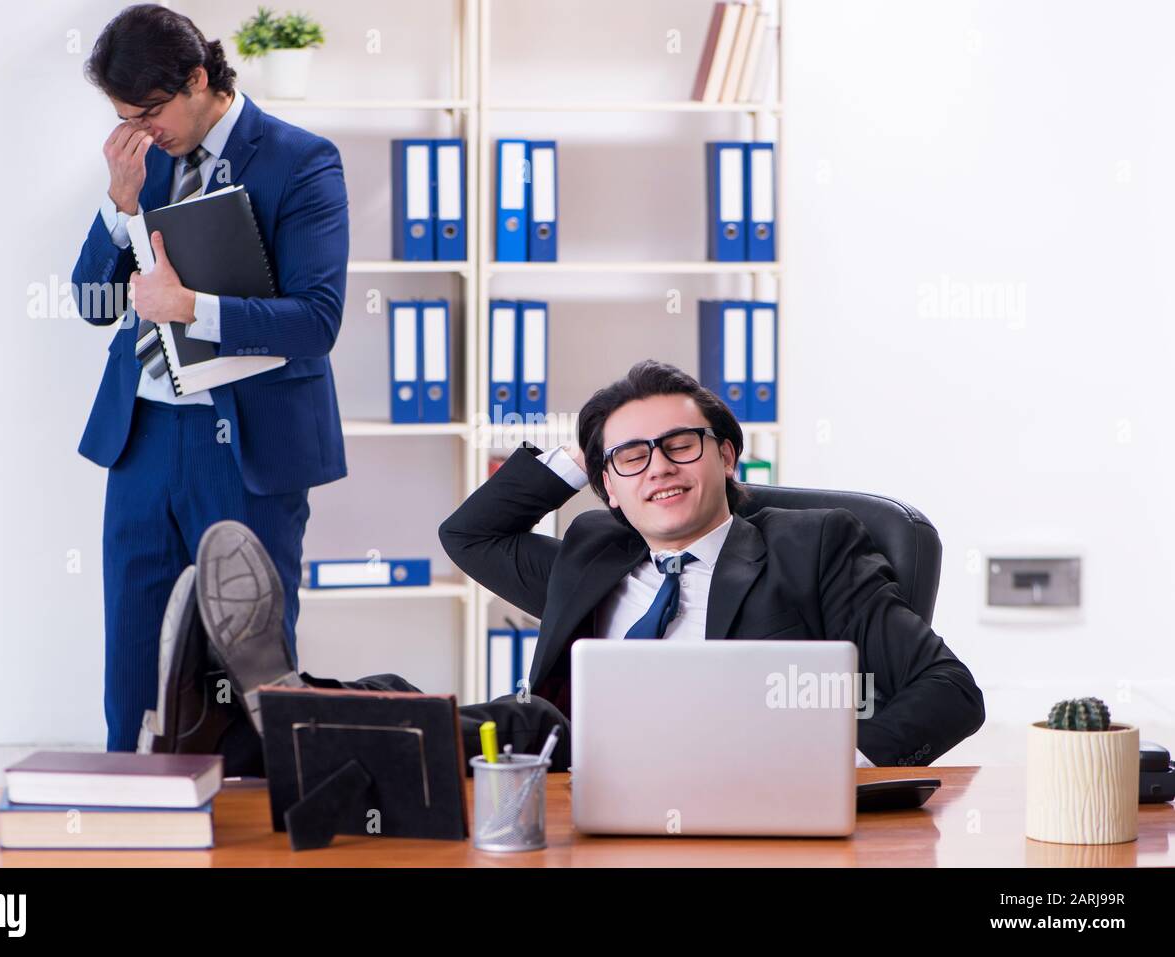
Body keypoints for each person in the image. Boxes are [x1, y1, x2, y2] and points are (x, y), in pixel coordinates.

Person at [144, 360, 984, 774]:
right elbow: (468, 534)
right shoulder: (597, 548)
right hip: (567, 764)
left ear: (729, 456)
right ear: (610, 488)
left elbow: (951, 690)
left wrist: (841, 767)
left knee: (494, 730)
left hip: (725, 773)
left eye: (681, 444)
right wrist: (585, 454)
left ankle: (264, 716)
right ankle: (253, 721)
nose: (659, 466)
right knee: (437, 713)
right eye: (633, 458)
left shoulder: (816, 544)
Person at [71, 4, 349, 752]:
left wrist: (192, 306)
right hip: (143, 439)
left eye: (152, 111)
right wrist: (116, 201)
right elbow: (93, 305)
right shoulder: (143, 161)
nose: (142, 130)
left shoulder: (302, 158)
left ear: (199, 79)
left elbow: (318, 320)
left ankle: (256, 820)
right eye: (126, 116)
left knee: (248, 660)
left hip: (246, 444)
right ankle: (130, 812)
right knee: (130, 661)